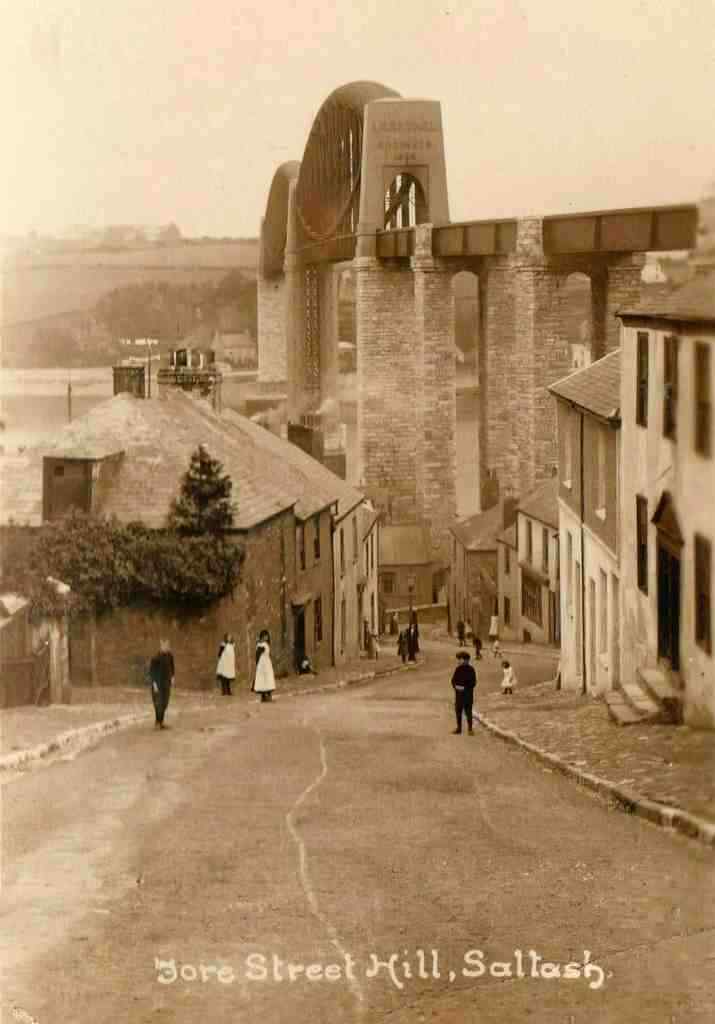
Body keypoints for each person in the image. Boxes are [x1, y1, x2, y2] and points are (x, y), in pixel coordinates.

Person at [149, 638, 174, 730]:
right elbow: (152, 671)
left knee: (165, 703)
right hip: (157, 684)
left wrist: (172, 677)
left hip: (166, 683)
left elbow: (172, 666)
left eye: (168, 645)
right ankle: (157, 722)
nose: (166, 647)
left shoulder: (170, 656)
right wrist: (154, 684)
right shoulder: (156, 657)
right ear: (161, 646)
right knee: (158, 703)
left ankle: (161, 722)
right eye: (164, 645)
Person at [451, 650, 477, 735]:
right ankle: (459, 728)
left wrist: (464, 688)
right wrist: (456, 686)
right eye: (458, 659)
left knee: (468, 712)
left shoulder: (471, 669)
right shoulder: (458, 669)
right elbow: (453, 680)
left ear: (466, 660)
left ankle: (470, 729)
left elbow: (473, 683)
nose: (458, 661)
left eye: (460, 659)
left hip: (468, 695)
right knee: (458, 711)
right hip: (459, 695)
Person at [253, 630, 276, 702]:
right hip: (262, 664)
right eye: (264, 636)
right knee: (263, 679)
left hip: (267, 663)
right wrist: (257, 664)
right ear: (262, 636)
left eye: (267, 635)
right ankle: (264, 696)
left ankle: (268, 695)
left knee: (268, 679)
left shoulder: (265, 644)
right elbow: (257, 655)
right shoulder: (261, 645)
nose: (266, 637)